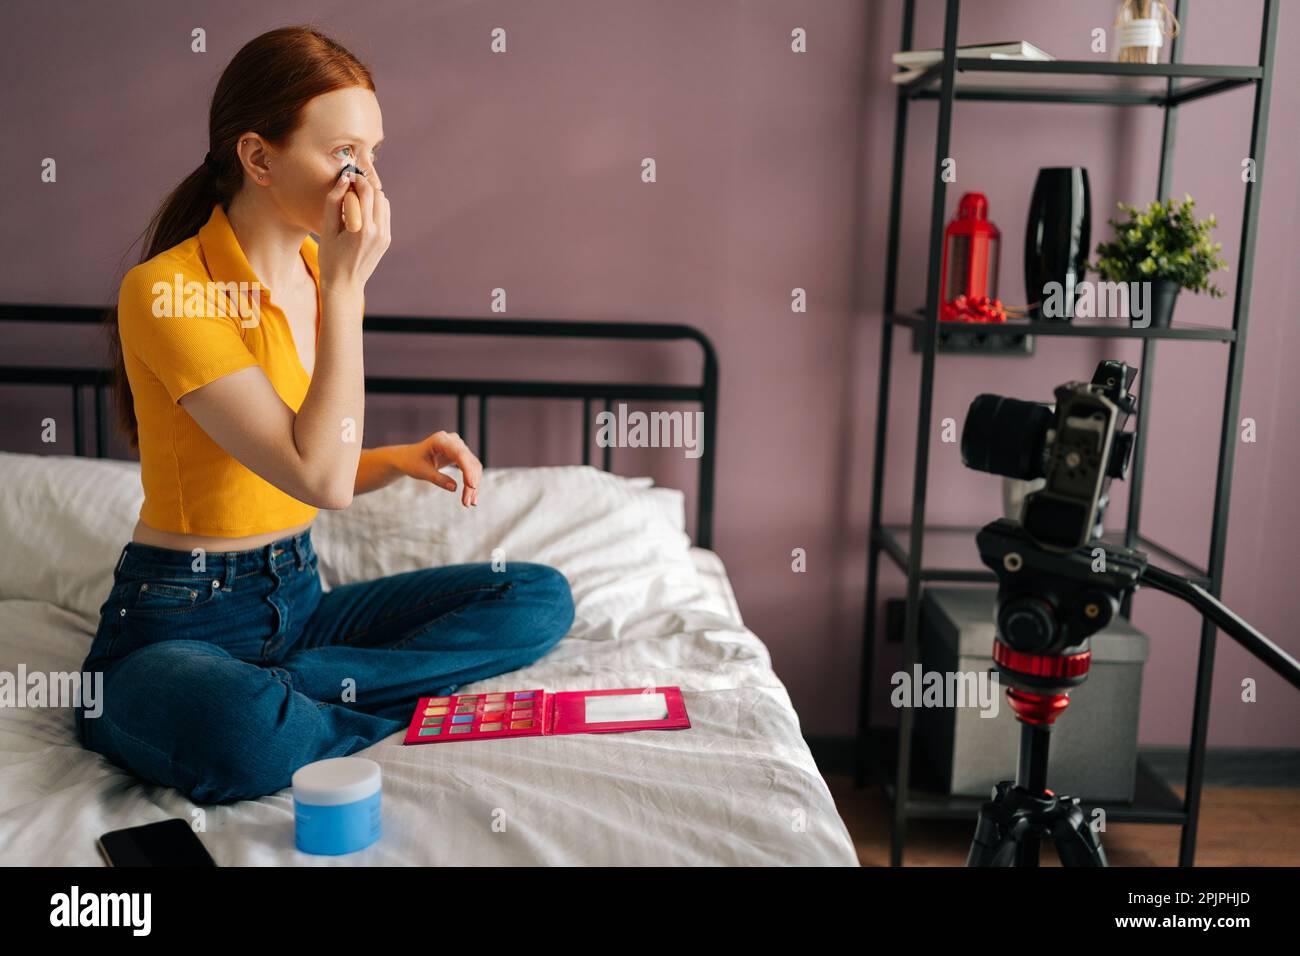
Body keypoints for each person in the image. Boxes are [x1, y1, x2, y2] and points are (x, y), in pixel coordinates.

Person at [75, 25, 574, 804]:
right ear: (258, 157)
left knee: (537, 596)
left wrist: (395, 458)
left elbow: (311, 464)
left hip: (299, 598)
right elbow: (317, 474)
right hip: (180, 622)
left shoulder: (315, 266)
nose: (366, 180)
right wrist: (347, 294)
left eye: (372, 154)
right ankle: (303, 700)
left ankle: (298, 689)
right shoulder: (168, 291)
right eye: (345, 154)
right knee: (238, 729)